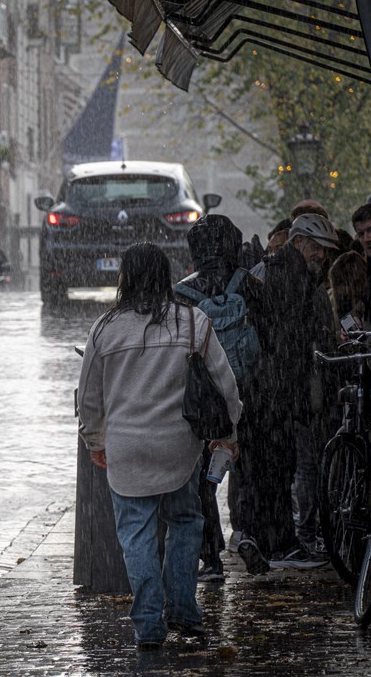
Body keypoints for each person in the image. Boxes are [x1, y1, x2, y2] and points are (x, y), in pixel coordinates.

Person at [78, 242, 241, 651]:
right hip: (178, 449)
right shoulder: (192, 322)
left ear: (125, 279)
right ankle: (184, 611)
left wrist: (95, 441)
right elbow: (226, 386)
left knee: (136, 536)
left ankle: (148, 625)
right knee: (185, 524)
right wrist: (229, 433)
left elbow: (89, 398)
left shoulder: (104, 328)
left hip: (126, 450)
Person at [173, 214, 265, 584]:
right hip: (251, 390)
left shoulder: (181, 294)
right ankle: (248, 533)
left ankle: (211, 560)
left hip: (206, 398)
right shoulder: (252, 286)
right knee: (252, 470)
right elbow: (272, 340)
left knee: (202, 482)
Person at [248, 213, 339, 570]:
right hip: (279, 390)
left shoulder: (277, 270)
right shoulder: (292, 278)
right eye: (315, 247)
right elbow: (287, 338)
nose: (320, 256)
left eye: (325, 251)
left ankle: (266, 538)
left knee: (273, 468)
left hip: (270, 388)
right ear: (298, 242)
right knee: (279, 465)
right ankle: (281, 544)